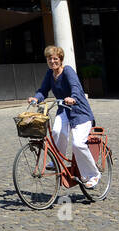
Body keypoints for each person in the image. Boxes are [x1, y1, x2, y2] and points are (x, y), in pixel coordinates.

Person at [27, 45, 101, 188]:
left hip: (80, 112)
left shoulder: (67, 71)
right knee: (56, 131)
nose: (52, 61)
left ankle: (93, 174)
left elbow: (76, 87)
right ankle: (56, 161)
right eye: (49, 59)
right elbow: (43, 90)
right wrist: (36, 98)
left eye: (55, 58)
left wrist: (73, 97)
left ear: (60, 59)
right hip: (63, 110)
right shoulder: (50, 74)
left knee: (78, 144)